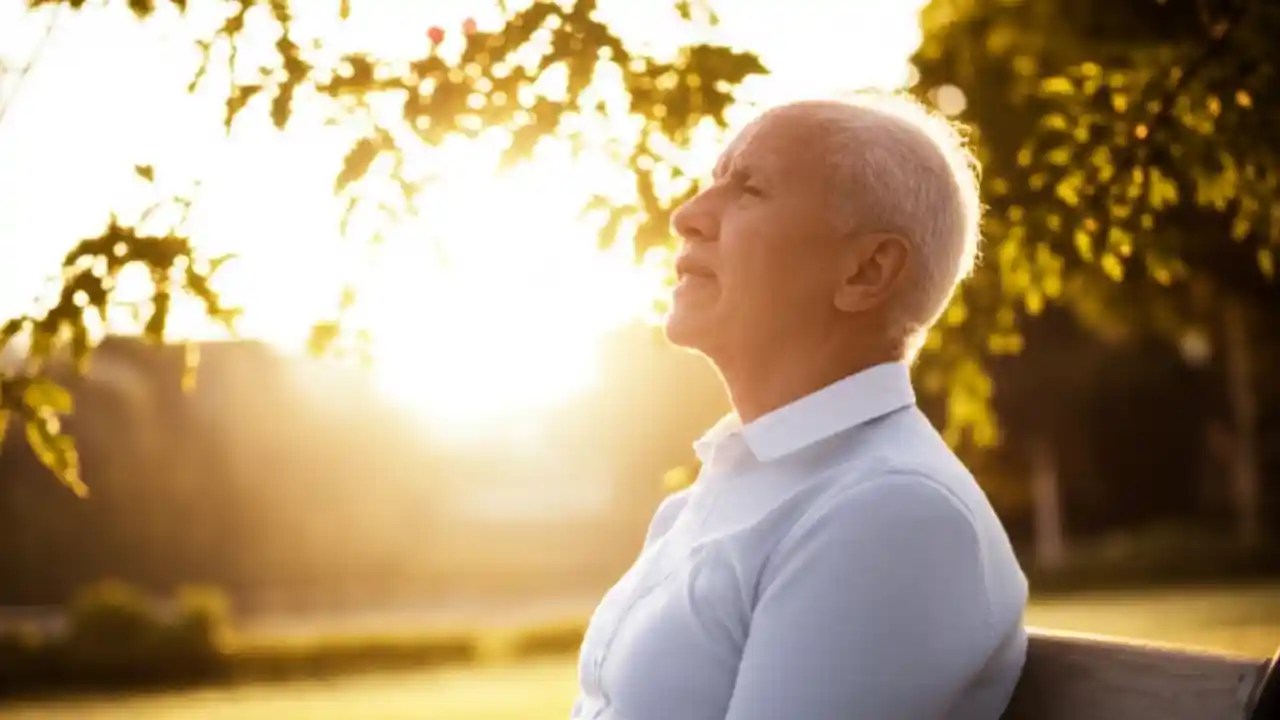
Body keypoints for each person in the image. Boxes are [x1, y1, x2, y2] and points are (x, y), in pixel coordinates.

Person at [570, 93, 1028, 720]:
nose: (688, 216)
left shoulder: (892, 512)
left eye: (749, 188)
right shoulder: (705, 502)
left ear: (866, 271)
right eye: (714, 183)